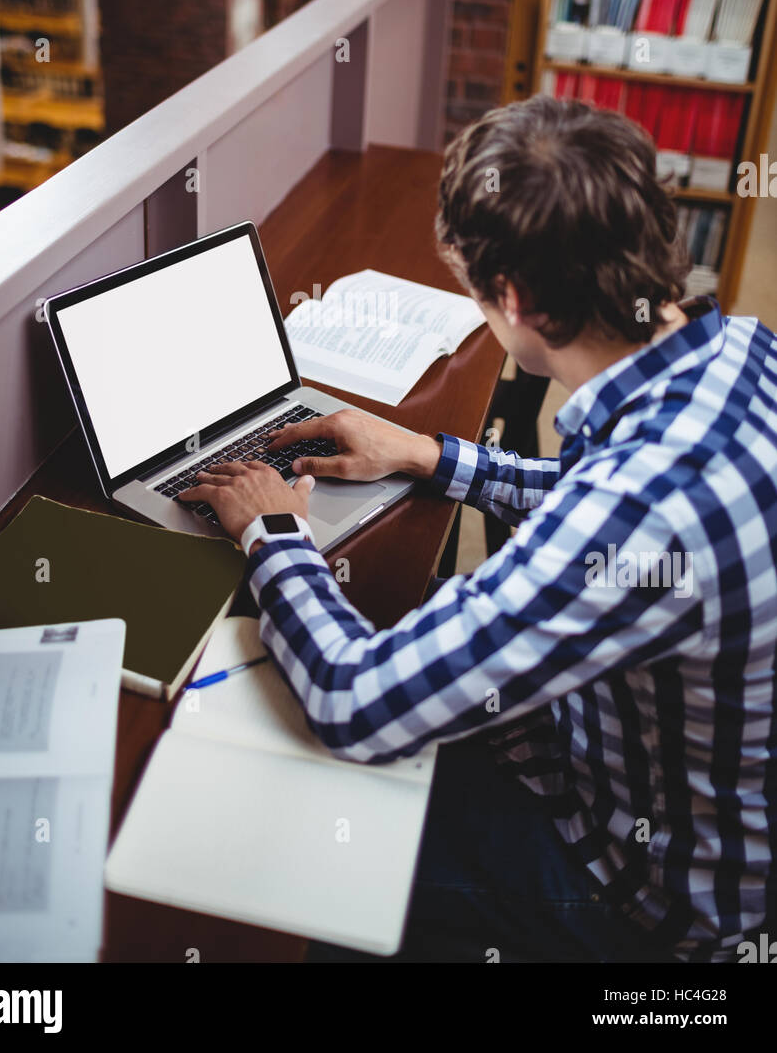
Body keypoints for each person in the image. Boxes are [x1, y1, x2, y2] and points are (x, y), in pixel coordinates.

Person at [178, 94, 777, 964]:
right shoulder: (743, 352)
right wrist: (431, 454)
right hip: (703, 810)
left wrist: (273, 534)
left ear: (511, 297)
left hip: (647, 908)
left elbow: (356, 701)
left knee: (296, 858)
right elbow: (601, 498)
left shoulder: (635, 516)